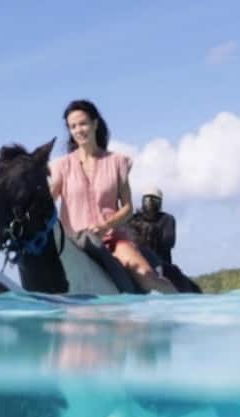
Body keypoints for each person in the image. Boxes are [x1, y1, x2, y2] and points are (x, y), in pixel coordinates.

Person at [49, 100, 177, 293]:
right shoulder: (61, 166)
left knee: (148, 278)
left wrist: (105, 226)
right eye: (73, 126)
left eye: (83, 124)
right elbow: (48, 202)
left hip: (112, 238)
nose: (78, 130)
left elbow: (127, 208)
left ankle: (180, 304)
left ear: (95, 124)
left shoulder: (117, 161)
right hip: (75, 241)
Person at [126, 189, 203, 293]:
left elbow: (168, 242)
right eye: (147, 200)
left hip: (162, 263)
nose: (150, 204)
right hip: (138, 260)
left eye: (154, 200)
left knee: (190, 288)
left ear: (159, 202)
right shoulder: (134, 219)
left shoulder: (167, 219)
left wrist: (152, 232)